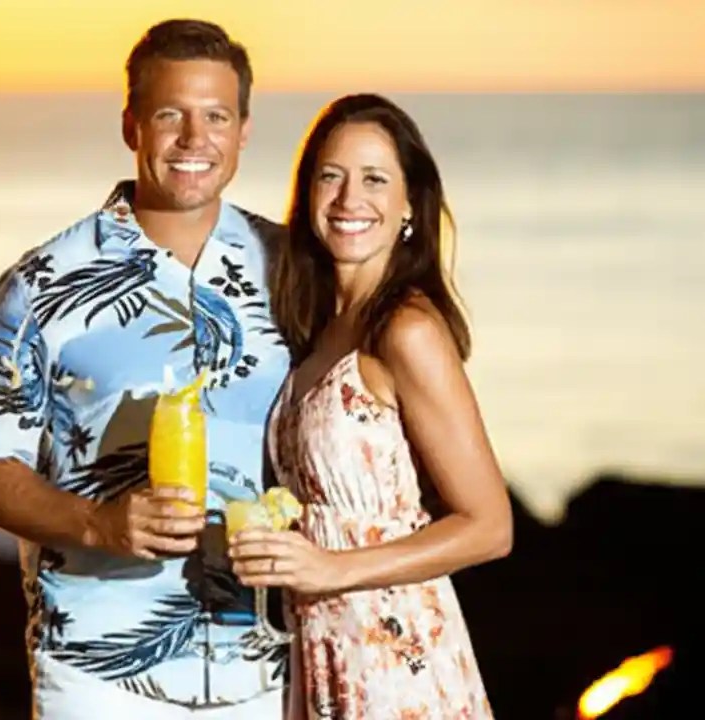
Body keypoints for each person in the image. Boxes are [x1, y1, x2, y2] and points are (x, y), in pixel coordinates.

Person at [0, 19, 291, 719]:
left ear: (245, 130)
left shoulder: (294, 271)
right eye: (171, 115)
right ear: (132, 126)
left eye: (216, 116)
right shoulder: (45, 283)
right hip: (99, 679)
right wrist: (98, 523)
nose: (195, 140)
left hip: (266, 671)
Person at [229, 94, 512, 718]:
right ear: (307, 195)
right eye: (331, 176)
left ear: (410, 204)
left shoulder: (406, 330)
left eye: (375, 179)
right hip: (324, 648)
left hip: (397, 659)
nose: (349, 199)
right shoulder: (319, 332)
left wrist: (332, 568)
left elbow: (491, 527)